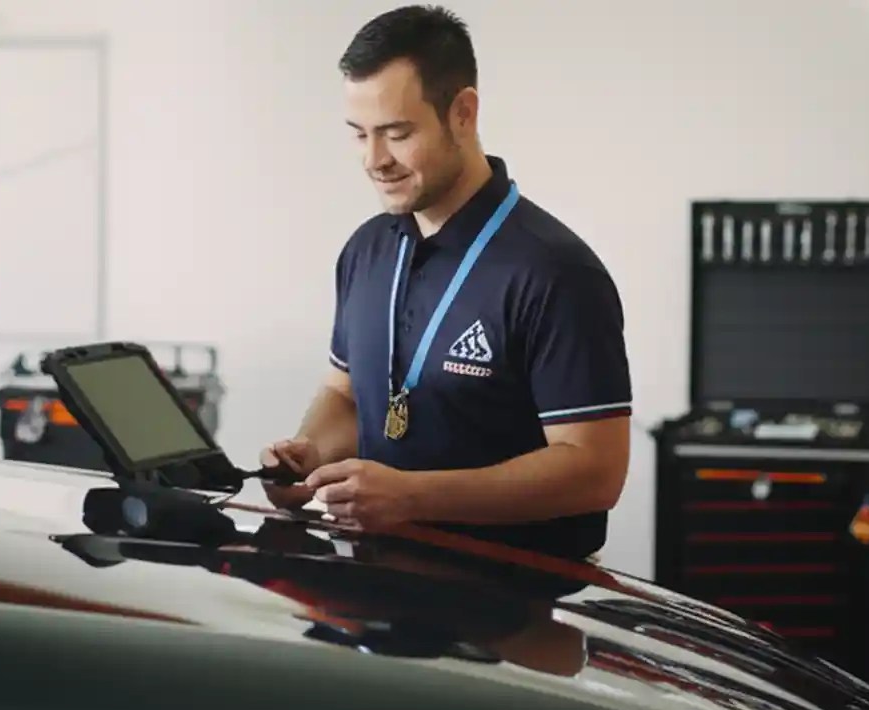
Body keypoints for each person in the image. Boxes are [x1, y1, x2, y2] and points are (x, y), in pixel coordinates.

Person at [260, 4, 632, 561]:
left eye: (397, 133)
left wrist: (413, 495)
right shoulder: (367, 249)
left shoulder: (555, 272)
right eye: (359, 134)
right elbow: (346, 394)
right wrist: (308, 457)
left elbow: (594, 471)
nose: (373, 159)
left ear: (463, 113)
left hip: (520, 610)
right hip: (380, 591)